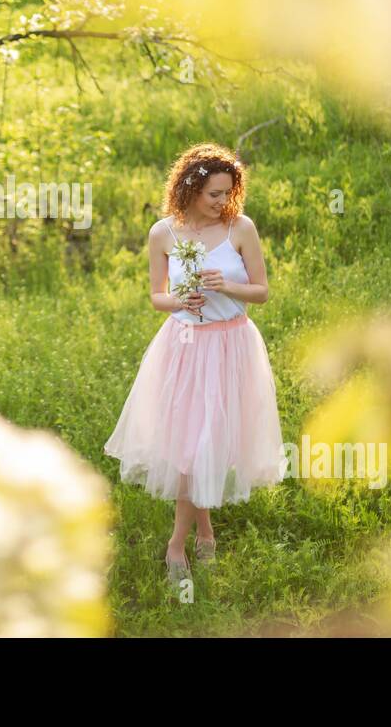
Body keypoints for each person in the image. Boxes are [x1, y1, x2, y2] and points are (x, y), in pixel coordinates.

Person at [104, 142, 285, 582]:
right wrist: (180, 299)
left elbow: (261, 291)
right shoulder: (163, 233)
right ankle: (180, 544)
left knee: (209, 446)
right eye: (213, 195)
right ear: (189, 189)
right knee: (190, 450)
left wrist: (227, 286)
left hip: (231, 347)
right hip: (184, 347)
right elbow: (156, 296)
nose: (222, 202)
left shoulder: (240, 229)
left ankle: (201, 537)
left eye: (227, 193)